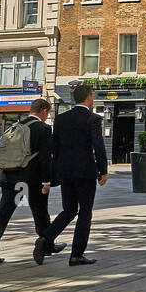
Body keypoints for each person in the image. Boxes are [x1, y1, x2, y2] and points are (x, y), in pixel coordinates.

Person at [35, 83, 107, 266]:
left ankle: (46, 237)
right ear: (89, 97)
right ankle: (76, 254)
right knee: (84, 212)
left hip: (66, 171)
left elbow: (55, 147)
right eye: (92, 96)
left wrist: (58, 169)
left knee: (68, 209)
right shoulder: (93, 119)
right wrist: (103, 171)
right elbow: (98, 147)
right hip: (85, 172)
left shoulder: (61, 119)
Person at [0, 98, 60, 264]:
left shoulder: (14, 126)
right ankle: (47, 245)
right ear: (44, 112)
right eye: (47, 113)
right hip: (31, 180)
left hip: (10, 177)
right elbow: (45, 158)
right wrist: (46, 181)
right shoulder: (43, 128)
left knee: (2, 215)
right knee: (40, 213)